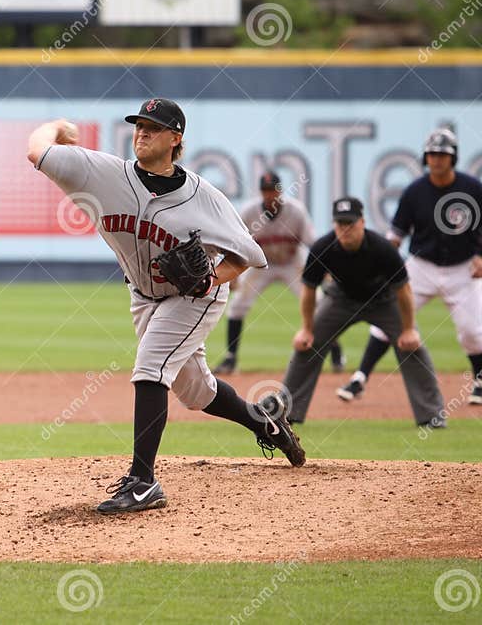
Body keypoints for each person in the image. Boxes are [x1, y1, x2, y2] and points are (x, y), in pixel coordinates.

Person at [26, 98, 305, 515]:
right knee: (195, 391)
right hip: (143, 296)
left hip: (197, 297)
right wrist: (57, 126)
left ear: (176, 139)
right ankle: (264, 422)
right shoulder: (103, 174)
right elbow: (36, 150)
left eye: (153, 127)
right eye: (139, 125)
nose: (142, 132)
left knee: (150, 365)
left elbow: (249, 256)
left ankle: (143, 482)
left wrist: (211, 278)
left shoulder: (205, 198)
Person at [336, 127, 482, 405]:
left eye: (443, 154)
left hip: (462, 268)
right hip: (421, 267)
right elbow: (396, 236)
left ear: (453, 158)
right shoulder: (415, 191)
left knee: (473, 331)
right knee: (387, 320)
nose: (437, 159)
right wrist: (378, 263)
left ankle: (479, 380)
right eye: (432, 154)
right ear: (425, 158)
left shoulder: (472, 188)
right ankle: (360, 378)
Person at [280, 196, 446, 427]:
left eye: (350, 223)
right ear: (334, 225)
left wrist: (408, 329)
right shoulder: (322, 247)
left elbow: (404, 290)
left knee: (412, 346)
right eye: (340, 224)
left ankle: (432, 417)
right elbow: (309, 290)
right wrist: (306, 329)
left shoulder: (383, 248)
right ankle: (287, 414)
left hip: (383, 300)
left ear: (362, 222)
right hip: (341, 299)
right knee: (307, 345)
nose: (345, 229)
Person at [214, 171, 345, 375]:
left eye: (273, 190)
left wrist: (325, 270)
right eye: (265, 191)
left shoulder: (296, 211)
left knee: (318, 305)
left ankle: (336, 352)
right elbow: (236, 244)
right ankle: (231, 359)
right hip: (261, 265)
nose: (269, 195)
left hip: (292, 263)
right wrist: (233, 275)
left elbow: (313, 243)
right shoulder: (249, 212)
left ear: (280, 190)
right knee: (238, 305)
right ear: (260, 192)